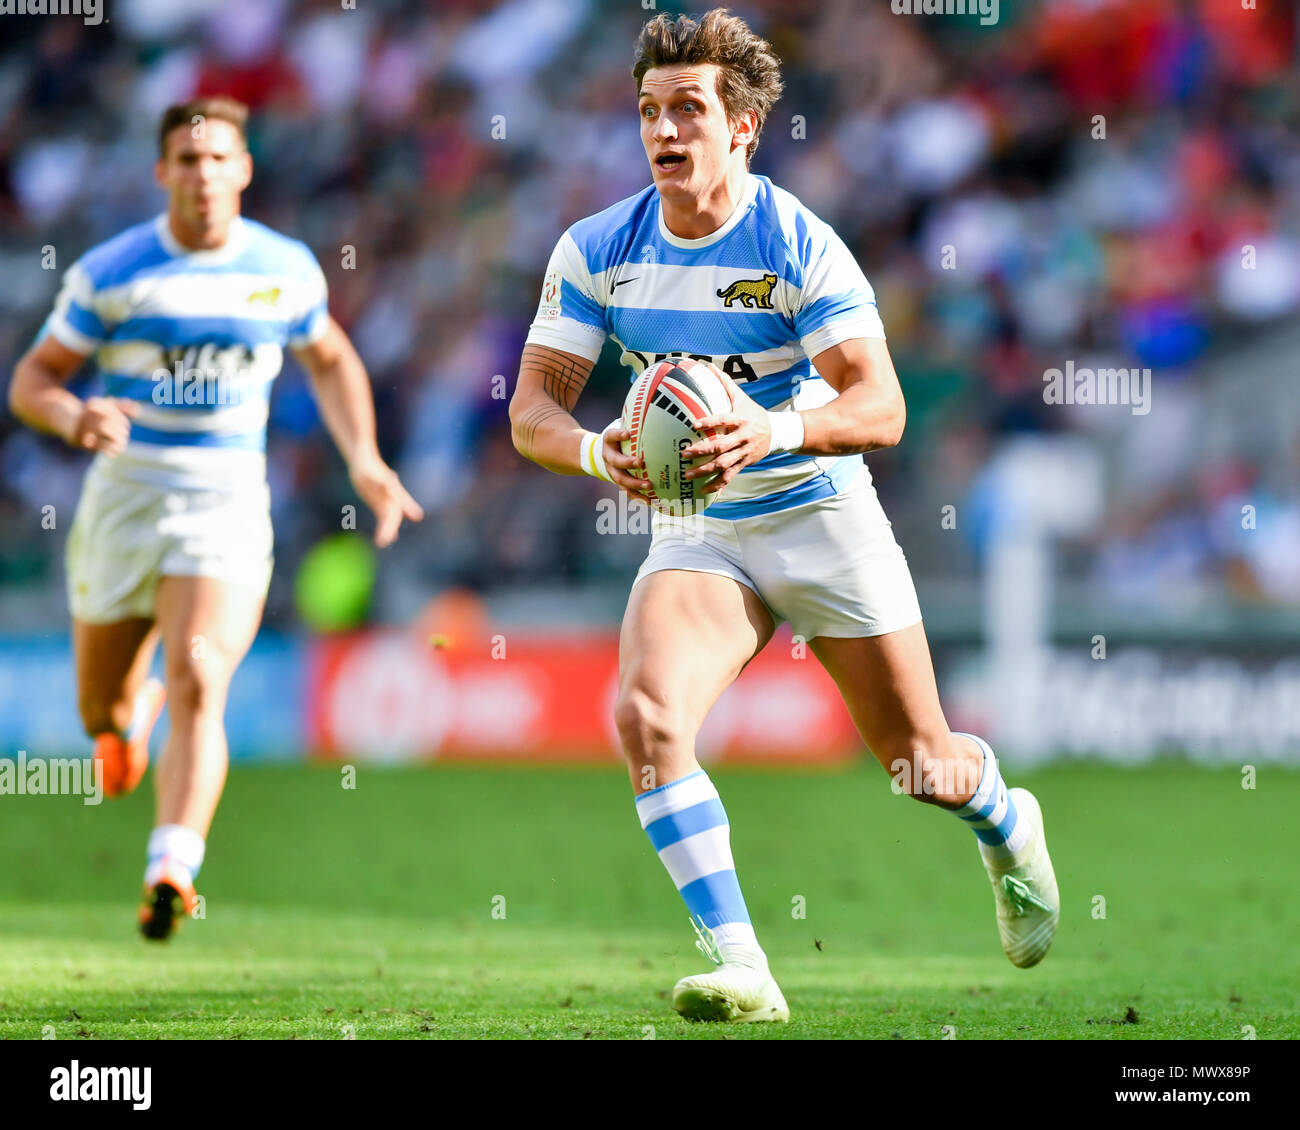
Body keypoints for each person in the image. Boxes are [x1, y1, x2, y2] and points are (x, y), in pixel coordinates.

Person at [509, 10, 1058, 1023]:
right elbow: (532, 407)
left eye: (688, 109)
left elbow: (880, 407)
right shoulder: (597, 249)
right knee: (646, 714)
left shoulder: (799, 242)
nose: (664, 131)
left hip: (816, 511)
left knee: (918, 763)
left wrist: (770, 432)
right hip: (702, 527)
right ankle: (744, 966)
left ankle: (1003, 817)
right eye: (647, 112)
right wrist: (597, 449)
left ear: (744, 126)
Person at [7, 96, 422, 940]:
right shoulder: (112, 273)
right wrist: (73, 416)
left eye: (217, 159)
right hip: (125, 499)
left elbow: (332, 357)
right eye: (187, 161)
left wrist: (366, 460)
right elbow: (32, 380)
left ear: (243, 170)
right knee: (104, 720)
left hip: (224, 499)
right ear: (162, 172)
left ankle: (172, 867)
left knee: (203, 677)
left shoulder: (285, 269)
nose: (202, 175)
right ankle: (126, 722)